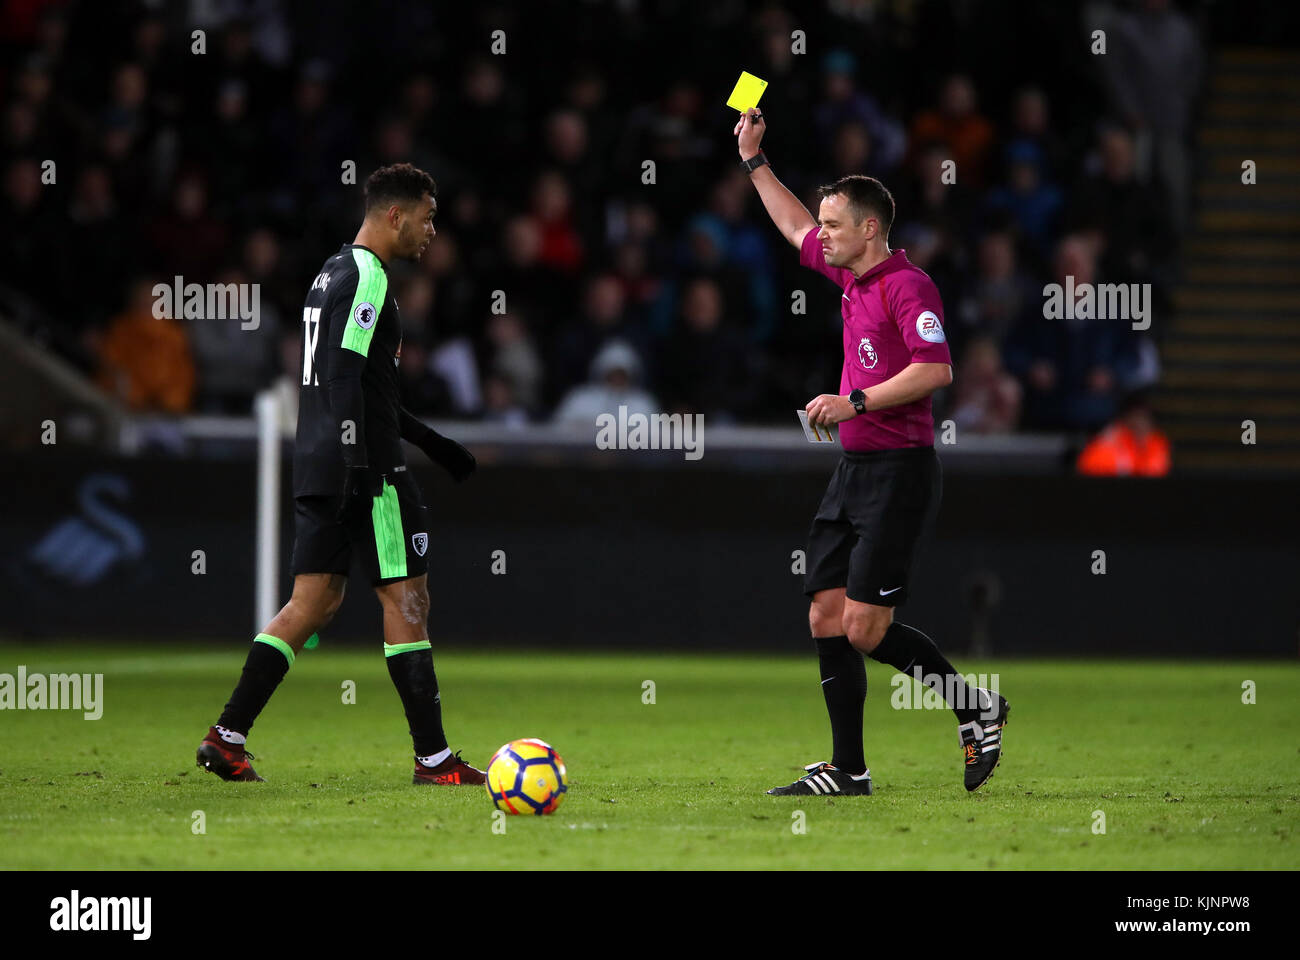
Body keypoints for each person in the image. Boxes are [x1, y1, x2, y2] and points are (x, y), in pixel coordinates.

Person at [734, 107, 1009, 796]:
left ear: (869, 229)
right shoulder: (852, 279)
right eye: (823, 224)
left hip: (901, 474)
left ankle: (974, 705)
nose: (820, 235)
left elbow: (936, 369)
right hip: (854, 471)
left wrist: (852, 402)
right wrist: (754, 161)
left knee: (861, 627)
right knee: (825, 615)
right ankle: (849, 771)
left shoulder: (908, 286)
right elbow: (791, 224)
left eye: (834, 225)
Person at [195, 163, 484, 786]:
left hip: (317, 460)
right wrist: (361, 468)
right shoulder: (370, 276)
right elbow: (349, 377)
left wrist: (434, 442)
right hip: (368, 470)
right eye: (429, 218)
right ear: (395, 215)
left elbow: (358, 385)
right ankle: (434, 760)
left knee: (312, 603)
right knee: (407, 600)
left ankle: (227, 735)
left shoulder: (328, 274)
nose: (433, 231)